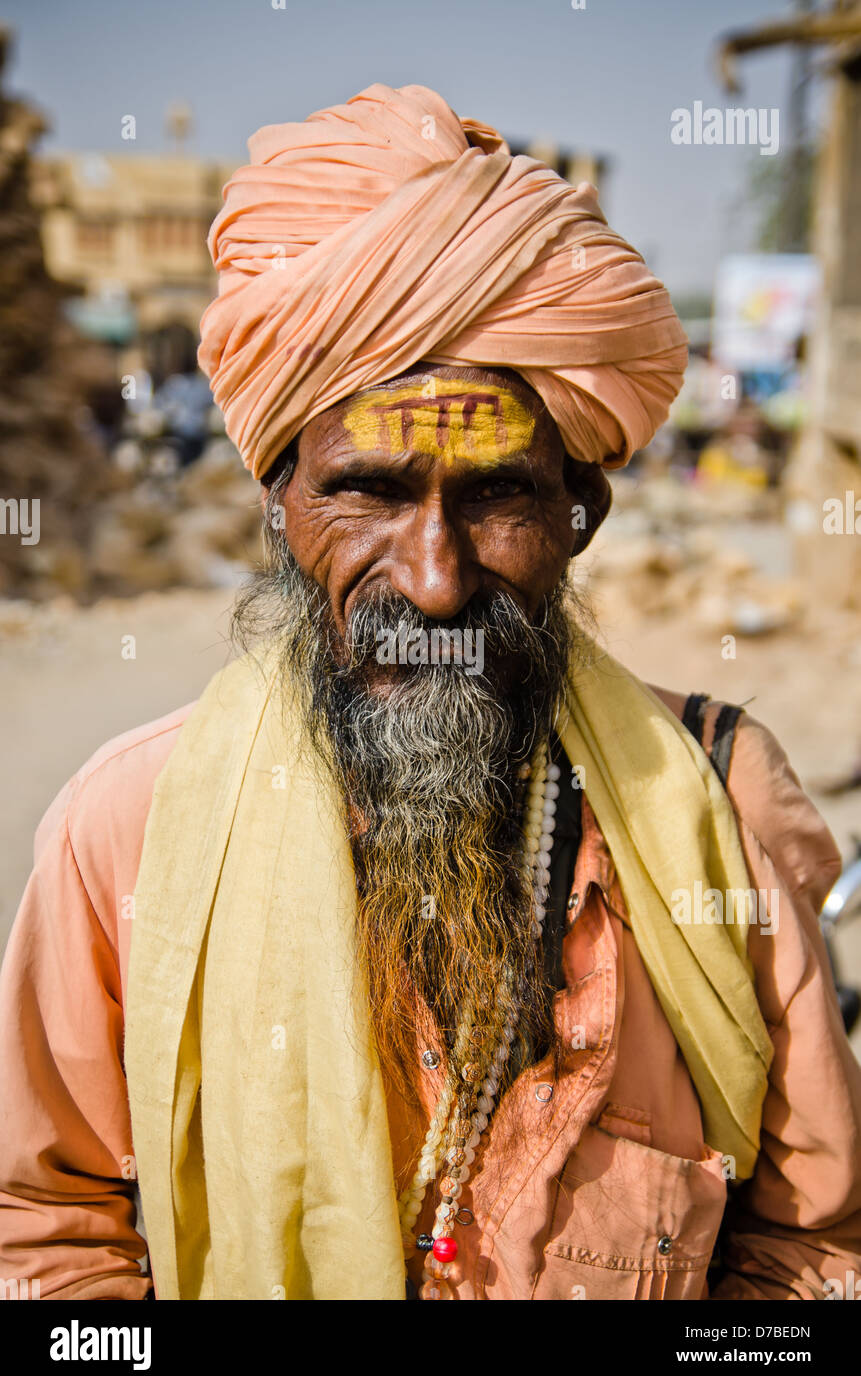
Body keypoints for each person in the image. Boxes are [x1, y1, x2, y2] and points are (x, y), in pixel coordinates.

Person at [1, 83, 859, 1303]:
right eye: (371, 492)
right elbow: (45, 1235)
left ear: (580, 515)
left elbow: (818, 1248)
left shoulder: (722, 808)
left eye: (499, 497)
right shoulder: (126, 834)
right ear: (280, 508)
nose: (438, 580)